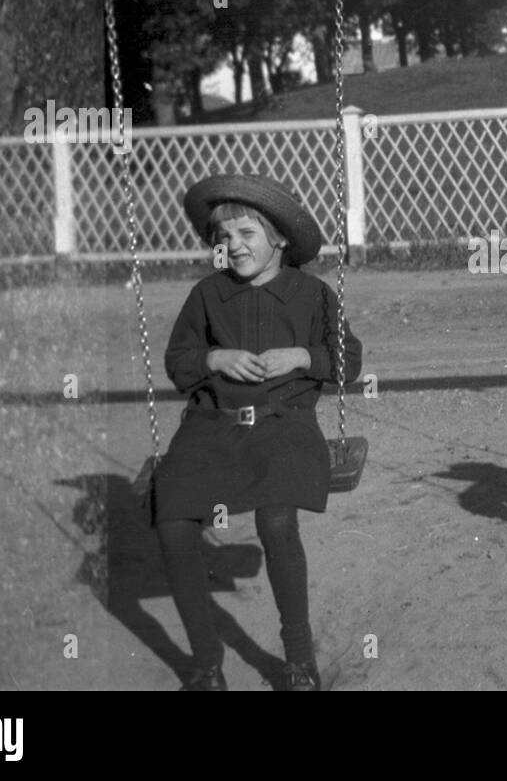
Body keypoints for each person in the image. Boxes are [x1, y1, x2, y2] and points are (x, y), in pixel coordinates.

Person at [155, 173, 361, 691]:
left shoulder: (311, 295)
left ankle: (298, 659)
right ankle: (206, 664)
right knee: (173, 520)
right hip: (212, 426)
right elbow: (178, 364)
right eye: (223, 238)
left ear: (280, 239)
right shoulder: (208, 294)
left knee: (276, 520)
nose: (234, 247)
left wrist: (302, 355)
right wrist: (213, 356)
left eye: (246, 234)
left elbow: (349, 362)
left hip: (282, 424)